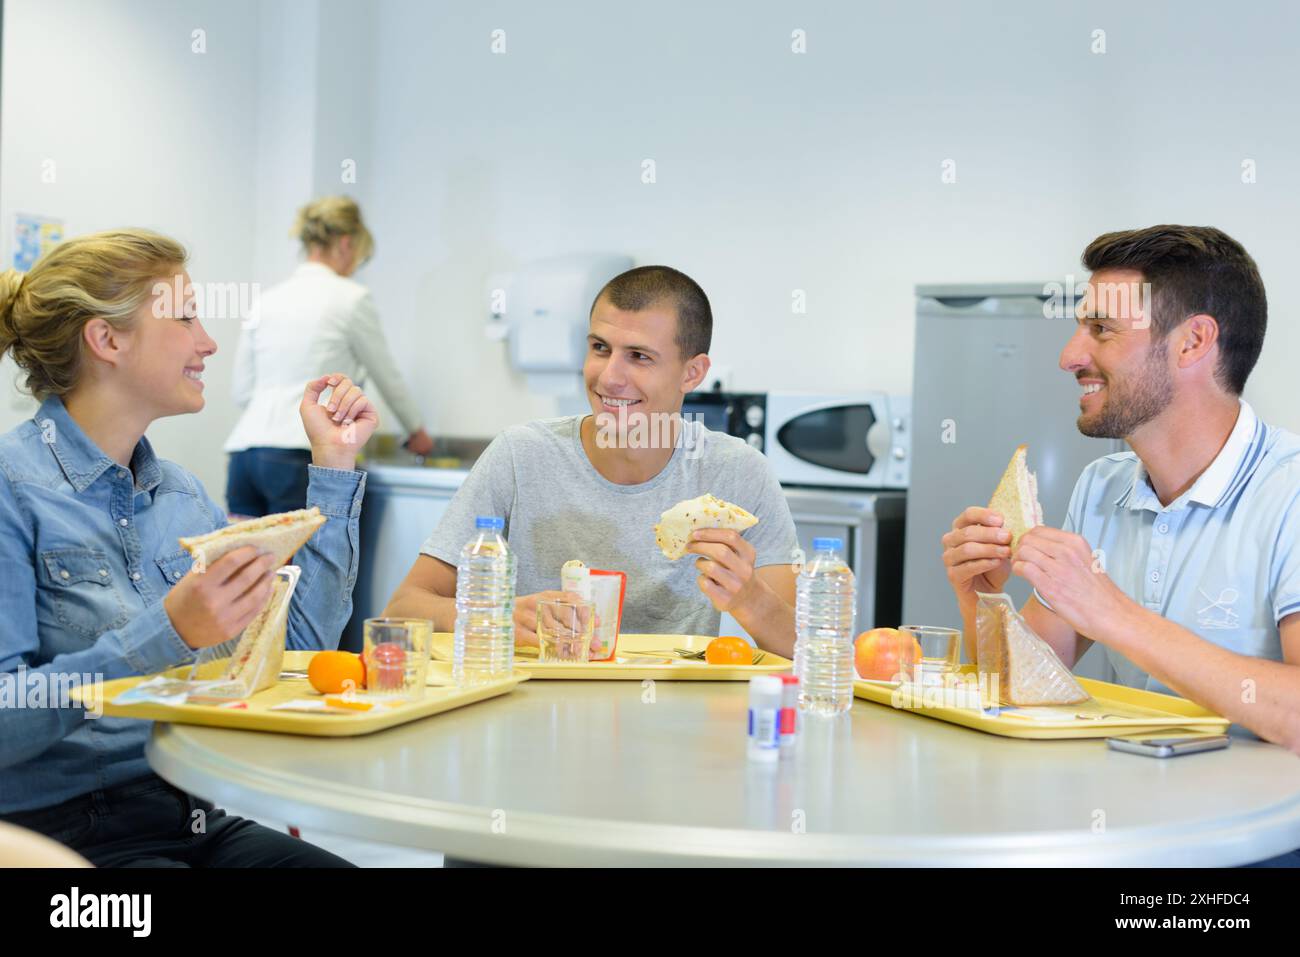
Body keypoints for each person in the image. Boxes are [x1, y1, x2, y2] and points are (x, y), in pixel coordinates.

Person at [0, 229, 378, 866]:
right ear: (107, 339)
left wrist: (334, 465)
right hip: (57, 840)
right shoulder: (11, 490)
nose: (208, 341)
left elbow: (299, 649)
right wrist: (167, 633)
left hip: (194, 816)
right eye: (184, 317)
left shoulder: (179, 495)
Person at [942, 226, 1300, 751]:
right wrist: (981, 599)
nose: (1069, 356)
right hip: (1131, 813)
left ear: (1192, 342)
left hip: (1261, 831)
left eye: (1102, 329)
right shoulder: (1101, 486)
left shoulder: (1288, 492)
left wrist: (1112, 613)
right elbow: (1020, 684)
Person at [385, 265, 800, 657]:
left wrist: (750, 599)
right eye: (600, 348)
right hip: (538, 714)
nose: (608, 377)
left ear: (692, 373)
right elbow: (403, 608)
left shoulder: (738, 471)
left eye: (639, 356)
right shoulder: (520, 455)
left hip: (674, 715)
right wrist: (494, 616)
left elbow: (803, 648)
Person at [223, 196, 431, 518]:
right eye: (360, 257)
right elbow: (386, 376)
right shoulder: (351, 299)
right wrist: (416, 432)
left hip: (245, 457)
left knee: (250, 566)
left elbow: (241, 390)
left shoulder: (266, 300)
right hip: (299, 456)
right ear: (346, 244)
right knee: (307, 567)